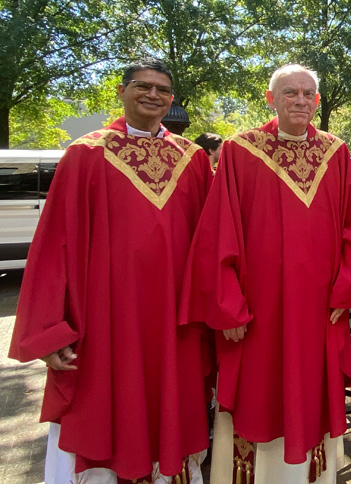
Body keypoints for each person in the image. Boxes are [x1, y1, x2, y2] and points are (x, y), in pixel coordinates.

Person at [8, 58, 213, 483]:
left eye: (162, 89)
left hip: (175, 318)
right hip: (106, 317)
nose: (153, 95)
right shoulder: (85, 154)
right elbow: (53, 246)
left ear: (171, 100)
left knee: (170, 403)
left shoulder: (192, 161)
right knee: (106, 403)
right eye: (142, 86)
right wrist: (49, 331)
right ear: (122, 92)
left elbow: (213, 241)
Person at [180, 64, 351, 484]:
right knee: (257, 394)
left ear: (317, 102)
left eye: (307, 94)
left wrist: (345, 292)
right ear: (271, 98)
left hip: (319, 309)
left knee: (311, 394)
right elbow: (218, 232)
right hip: (258, 313)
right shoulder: (240, 151)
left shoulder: (335, 153)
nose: (300, 101)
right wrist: (228, 307)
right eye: (290, 93)